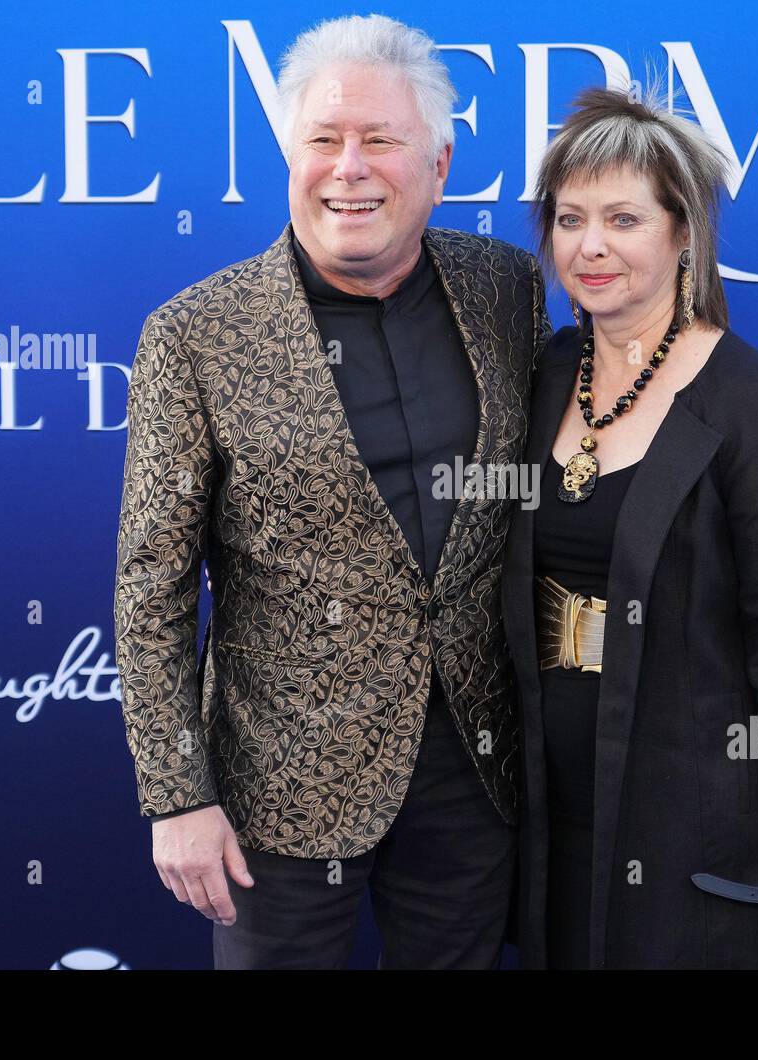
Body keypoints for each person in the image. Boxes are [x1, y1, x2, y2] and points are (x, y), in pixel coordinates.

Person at [113, 14, 550, 969]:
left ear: (438, 164)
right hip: (278, 782)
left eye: (379, 141)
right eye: (322, 140)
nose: (348, 167)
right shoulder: (196, 336)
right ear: (289, 158)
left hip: (473, 774)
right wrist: (179, 795)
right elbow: (152, 589)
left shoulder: (508, 290)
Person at [499, 82, 758, 969]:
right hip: (544, 820)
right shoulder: (539, 376)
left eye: (623, 219)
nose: (589, 247)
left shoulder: (751, 402)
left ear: (683, 232)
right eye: (570, 219)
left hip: (690, 828)